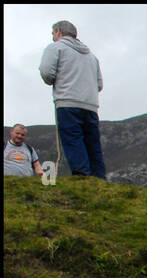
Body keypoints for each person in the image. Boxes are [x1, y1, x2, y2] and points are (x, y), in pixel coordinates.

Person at [39, 20, 105, 179]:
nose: (53, 37)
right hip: (90, 105)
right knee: (92, 143)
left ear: (59, 32)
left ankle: (82, 175)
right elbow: (99, 84)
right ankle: (99, 178)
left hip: (67, 101)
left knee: (73, 138)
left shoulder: (56, 47)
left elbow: (47, 73)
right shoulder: (91, 56)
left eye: (53, 33)